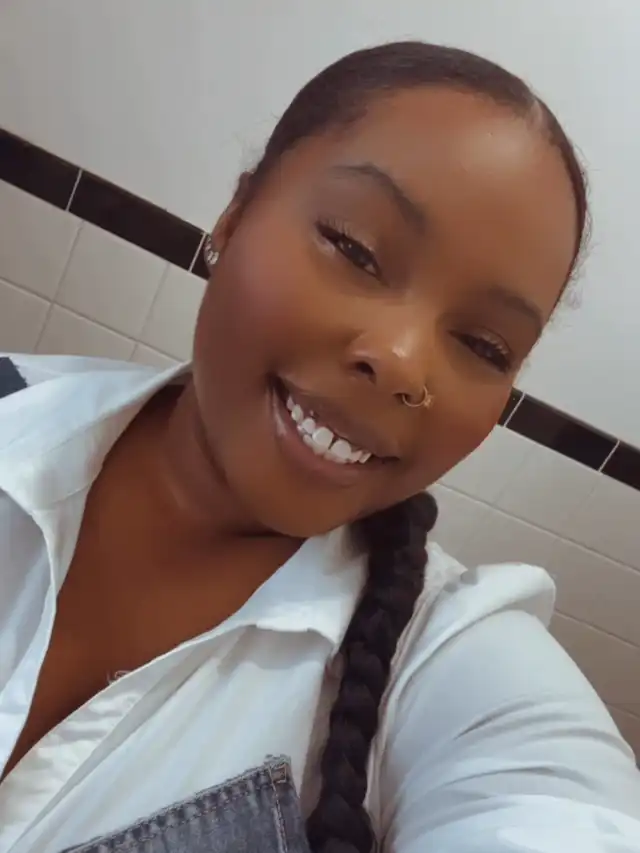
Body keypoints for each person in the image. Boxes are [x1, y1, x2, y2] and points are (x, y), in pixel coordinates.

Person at [0, 40, 639, 853]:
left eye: (484, 345)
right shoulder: (15, 409)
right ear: (235, 215)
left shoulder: (452, 662)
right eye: (355, 248)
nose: (403, 362)